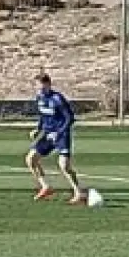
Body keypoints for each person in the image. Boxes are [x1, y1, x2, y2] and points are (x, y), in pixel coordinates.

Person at [27, 73, 86, 203]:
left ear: (48, 84)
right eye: (36, 86)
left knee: (64, 165)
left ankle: (79, 192)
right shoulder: (40, 98)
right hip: (48, 135)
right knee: (31, 159)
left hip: (61, 134)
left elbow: (70, 118)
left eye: (41, 86)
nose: (39, 89)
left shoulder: (57, 98)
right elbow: (43, 116)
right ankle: (45, 187)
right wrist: (38, 129)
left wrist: (58, 133)